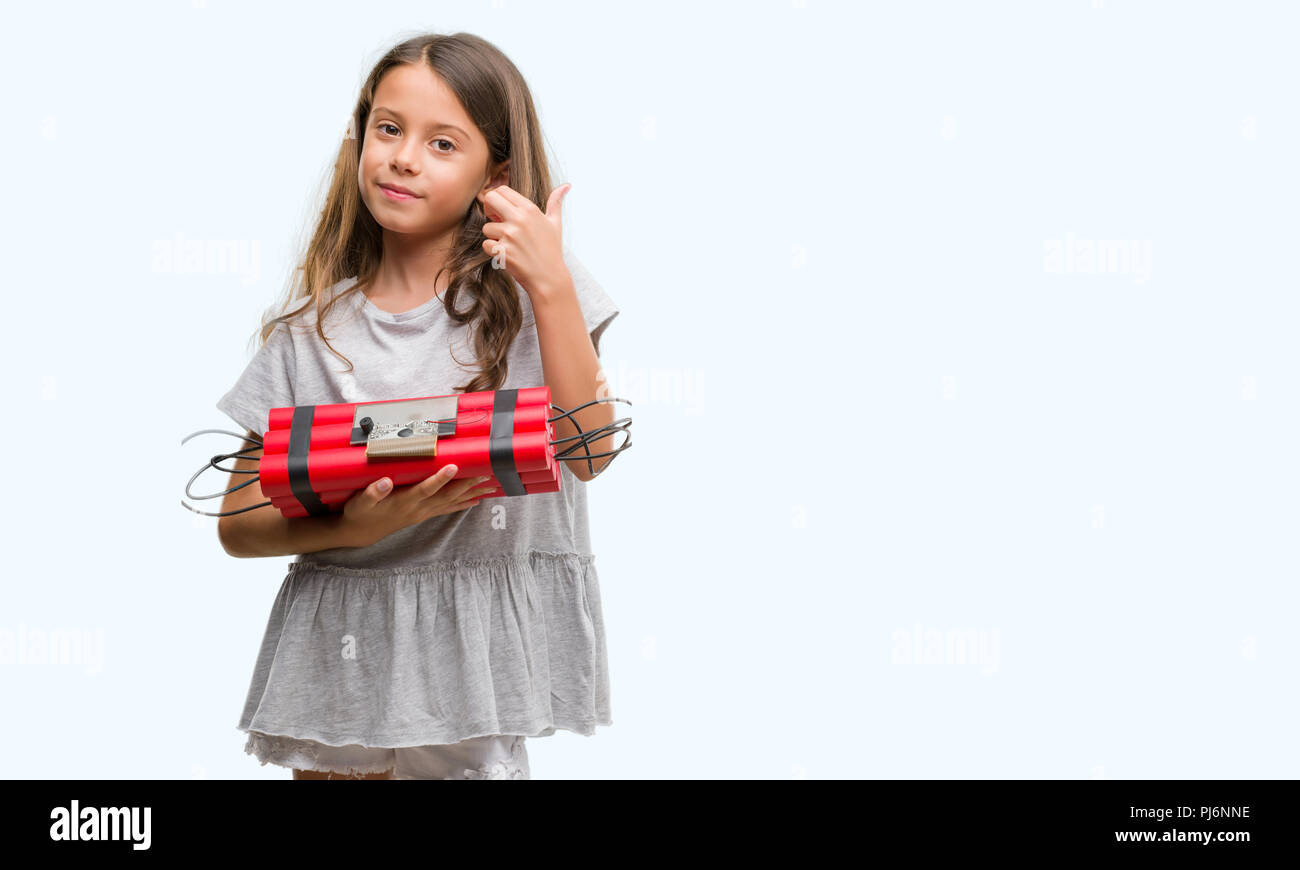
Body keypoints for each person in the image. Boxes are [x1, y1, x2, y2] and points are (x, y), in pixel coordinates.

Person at [213, 32, 621, 780]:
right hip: (342, 656)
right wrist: (358, 524)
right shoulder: (310, 334)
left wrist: (553, 286)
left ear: (494, 174)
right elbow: (237, 525)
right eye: (389, 129)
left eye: (442, 143)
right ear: (359, 135)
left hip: (476, 662)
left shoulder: (538, 297)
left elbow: (588, 453)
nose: (403, 157)